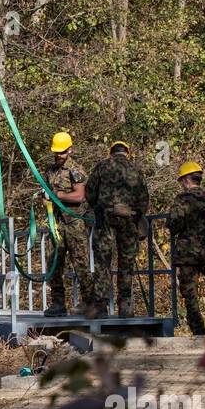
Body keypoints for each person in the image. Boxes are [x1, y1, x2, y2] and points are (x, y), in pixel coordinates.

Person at [86, 141, 149, 317]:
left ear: (110, 153)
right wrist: (137, 215)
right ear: (127, 153)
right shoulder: (135, 169)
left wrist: (97, 206)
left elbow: (90, 192)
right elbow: (143, 198)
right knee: (126, 261)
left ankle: (100, 306)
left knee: (102, 260)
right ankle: (125, 305)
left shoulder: (102, 166)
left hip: (105, 217)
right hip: (128, 218)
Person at [166, 161, 205, 335]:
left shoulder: (182, 200)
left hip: (187, 257)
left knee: (190, 294)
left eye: (181, 181)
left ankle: (199, 332)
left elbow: (173, 226)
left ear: (186, 180)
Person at [40, 131, 95, 317]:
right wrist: (45, 199)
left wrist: (57, 196)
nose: (59, 155)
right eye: (56, 152)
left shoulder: (76, 170)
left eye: (62, 152)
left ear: (70, 150)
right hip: (55, 224)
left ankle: (89, 303)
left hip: (74, 224)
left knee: (81, 264)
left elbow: (80, 196)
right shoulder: (49, 171)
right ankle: (57, 303)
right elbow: (45, 194)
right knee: (54, 263)